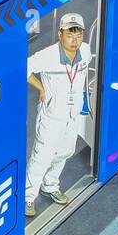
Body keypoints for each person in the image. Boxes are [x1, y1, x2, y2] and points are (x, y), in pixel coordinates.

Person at [26, 13, 92, 217]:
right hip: (52, 115)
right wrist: (41, 88)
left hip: (72, 114)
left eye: (78, 34)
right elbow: (24, 68)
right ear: (60, 34)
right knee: (42, 156)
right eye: (70, 34)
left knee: (65, 150)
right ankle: (28, 197)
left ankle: (50, 185)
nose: (75, 39)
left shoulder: (86, 51)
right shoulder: (48, 56)